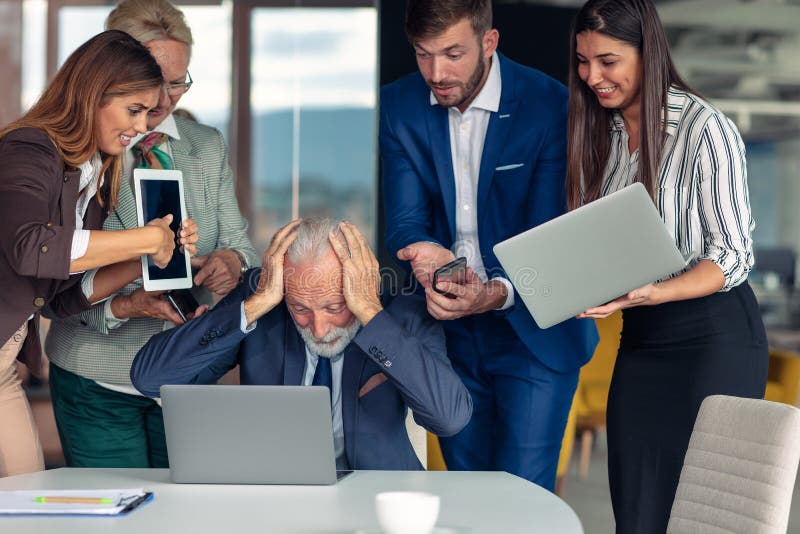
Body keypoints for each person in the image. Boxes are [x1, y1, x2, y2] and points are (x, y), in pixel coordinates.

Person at [566, 0, 769, 531]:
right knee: (636, 508)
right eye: (584, 61)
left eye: (608, 61)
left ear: (647, 52)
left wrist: (654, 291)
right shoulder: (606, 136)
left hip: (713, 337)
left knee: (700, 512)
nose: (593, 76)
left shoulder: (705, 129)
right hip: (643, 337)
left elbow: (732, 256)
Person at [379, 0, 598, 490]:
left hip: (533, 329)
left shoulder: (549, 106)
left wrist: (493, 292)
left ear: (489, 42)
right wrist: (426, 254)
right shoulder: (400, 105)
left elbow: (551, 235)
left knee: (522, 495)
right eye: (422, 53)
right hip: (448, 331)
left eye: (453, 53)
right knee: (467, 492)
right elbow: (405, 220)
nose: (436, 72)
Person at [45, 0, 257, 469]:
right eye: (153, 80)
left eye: (178, 81)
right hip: (95, 374)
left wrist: (231, 262)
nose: (164, 100)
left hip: (187, 374)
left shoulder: (206, 146)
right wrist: (126, 304)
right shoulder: (79, 152)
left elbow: (241, 244)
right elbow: (57, 273)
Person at [0, 30, 199, 477]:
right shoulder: (28, 149)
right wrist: (145, 239)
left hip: (4, 367)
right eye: (135, 110)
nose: (144, 126)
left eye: (149, 113)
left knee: (27, 498)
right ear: (93, 95)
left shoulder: (90, 179)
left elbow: (60, 298)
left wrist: (145, 258)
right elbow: (32, 247)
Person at [131, 218, 473, 470]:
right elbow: (150, 379)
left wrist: (369, 312)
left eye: (335, 307)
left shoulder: (401, 311)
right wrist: (255, 304)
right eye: (300, 309)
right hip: (273, 498)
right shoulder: (263, 299)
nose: (320, 328)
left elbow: (450, 418)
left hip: (376, 501)